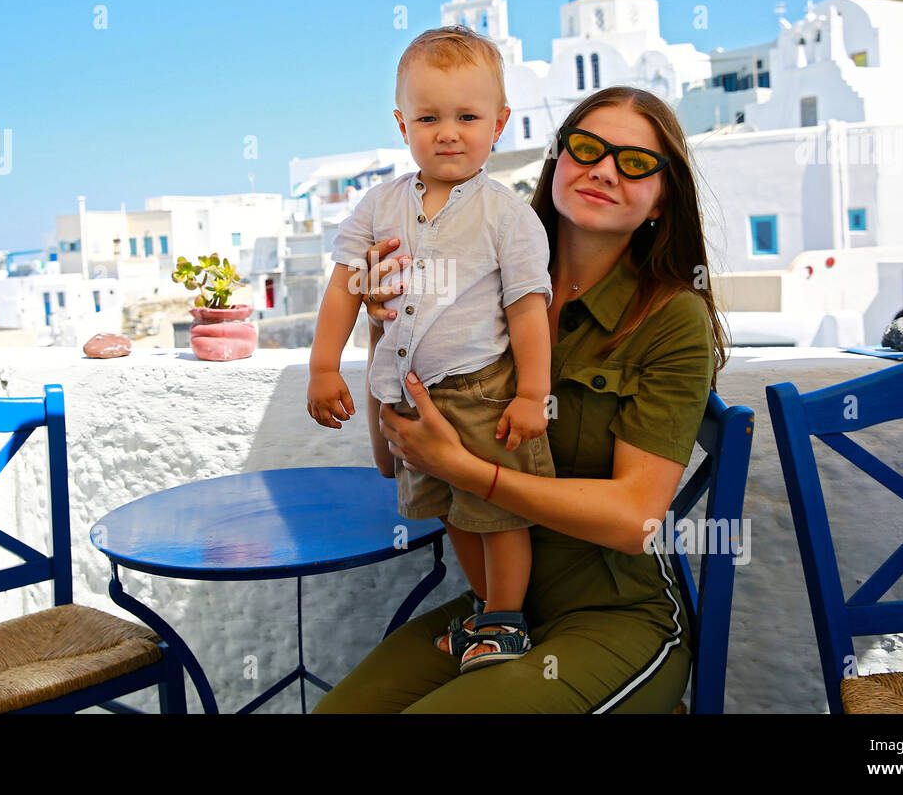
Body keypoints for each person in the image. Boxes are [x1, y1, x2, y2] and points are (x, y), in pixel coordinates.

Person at [311, 84, 731, 712]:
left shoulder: (672, 318)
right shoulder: (469, 291)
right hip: (499, 613)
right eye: (587, 148)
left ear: (660, 203)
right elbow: (388, 457)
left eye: (637, 162)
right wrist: (385, 323)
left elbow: (634, 518)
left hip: (615, 616)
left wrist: (467, 472)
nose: (605, 170)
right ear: (556, 161)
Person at [306, 26, 556, 673]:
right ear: (402, 124)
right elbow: (344, 288)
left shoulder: (507, 214)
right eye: (429, 117)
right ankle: (484, 608)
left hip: (482, 392)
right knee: (450, 512)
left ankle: (505, 618)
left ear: (498, 123)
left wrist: (532, 394)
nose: (448, 132)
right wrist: (324, 365)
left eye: (467, 117)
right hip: (409, 399)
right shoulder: (378, 206)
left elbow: (529, 309)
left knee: (498, 514)